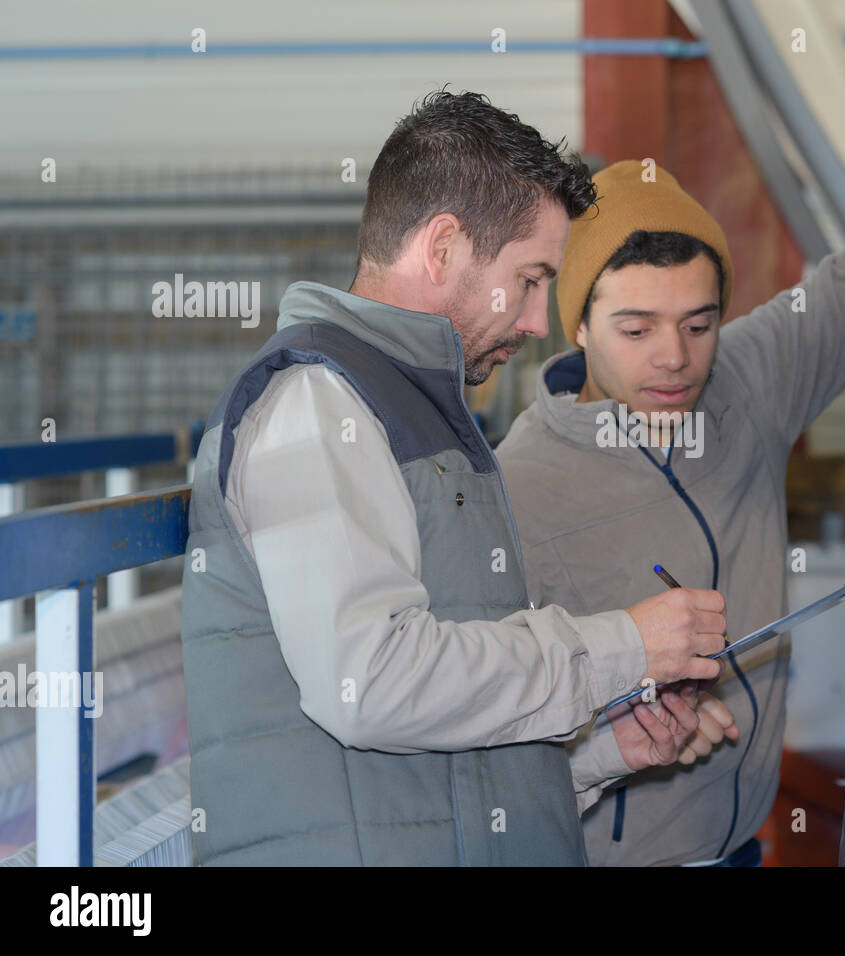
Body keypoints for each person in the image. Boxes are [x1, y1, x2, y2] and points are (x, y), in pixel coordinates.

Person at [495, 0, 845, 866]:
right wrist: (609, 744)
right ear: (576, 326)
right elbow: (483, 731)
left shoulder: (746, 381)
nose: (674, 359)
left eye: (699, 323)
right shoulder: (518, 487)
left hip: (743, 845)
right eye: (637, 328)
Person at [180, 89, 730, 866]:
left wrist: (604, 754)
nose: (540, 321)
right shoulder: (316, 403)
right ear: (442, 248)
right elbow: (370, 685)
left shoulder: (426, 415)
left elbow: (443, 764)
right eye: (531, 278)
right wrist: (621, 648)